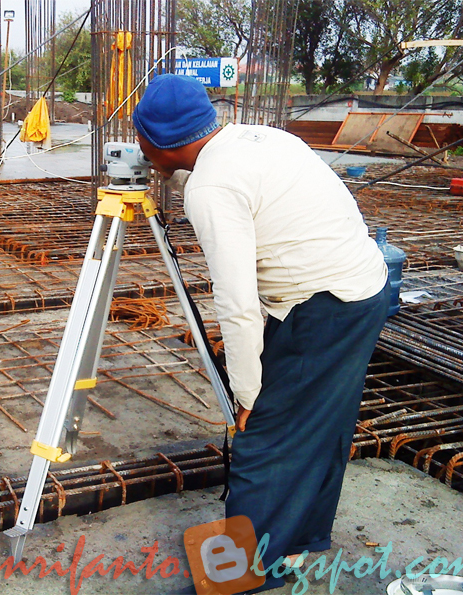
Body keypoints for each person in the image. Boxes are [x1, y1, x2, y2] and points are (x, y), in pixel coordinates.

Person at [132, 74, 389, 593]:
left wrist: (247, 392)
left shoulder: (211, 187)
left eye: (139, 139)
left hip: (320, 306)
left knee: (266, 435)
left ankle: (241, 578)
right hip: (364, 286)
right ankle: (298, 541)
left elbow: (237, 303)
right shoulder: (260, 137)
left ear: (154, 141)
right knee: (323, 419)